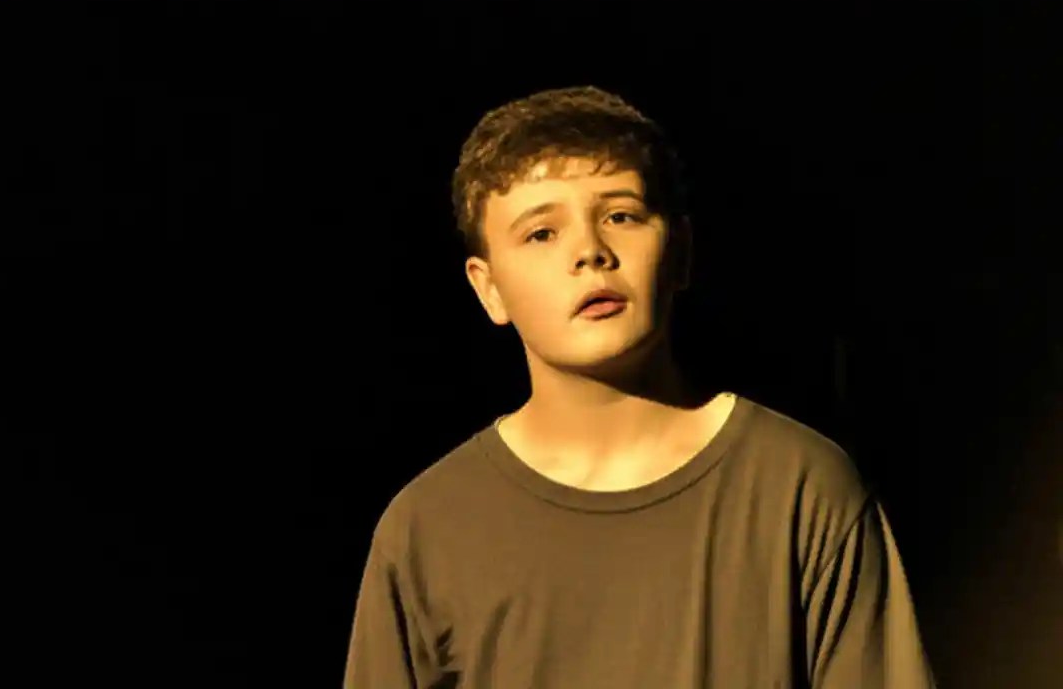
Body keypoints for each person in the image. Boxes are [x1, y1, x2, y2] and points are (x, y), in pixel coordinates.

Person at [342, 86, 935, 687]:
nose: (591, 252)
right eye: (541, 233)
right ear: (487, 287)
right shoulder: (427, 528)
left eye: (620, 216)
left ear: (679, 252)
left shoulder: (799, 488)